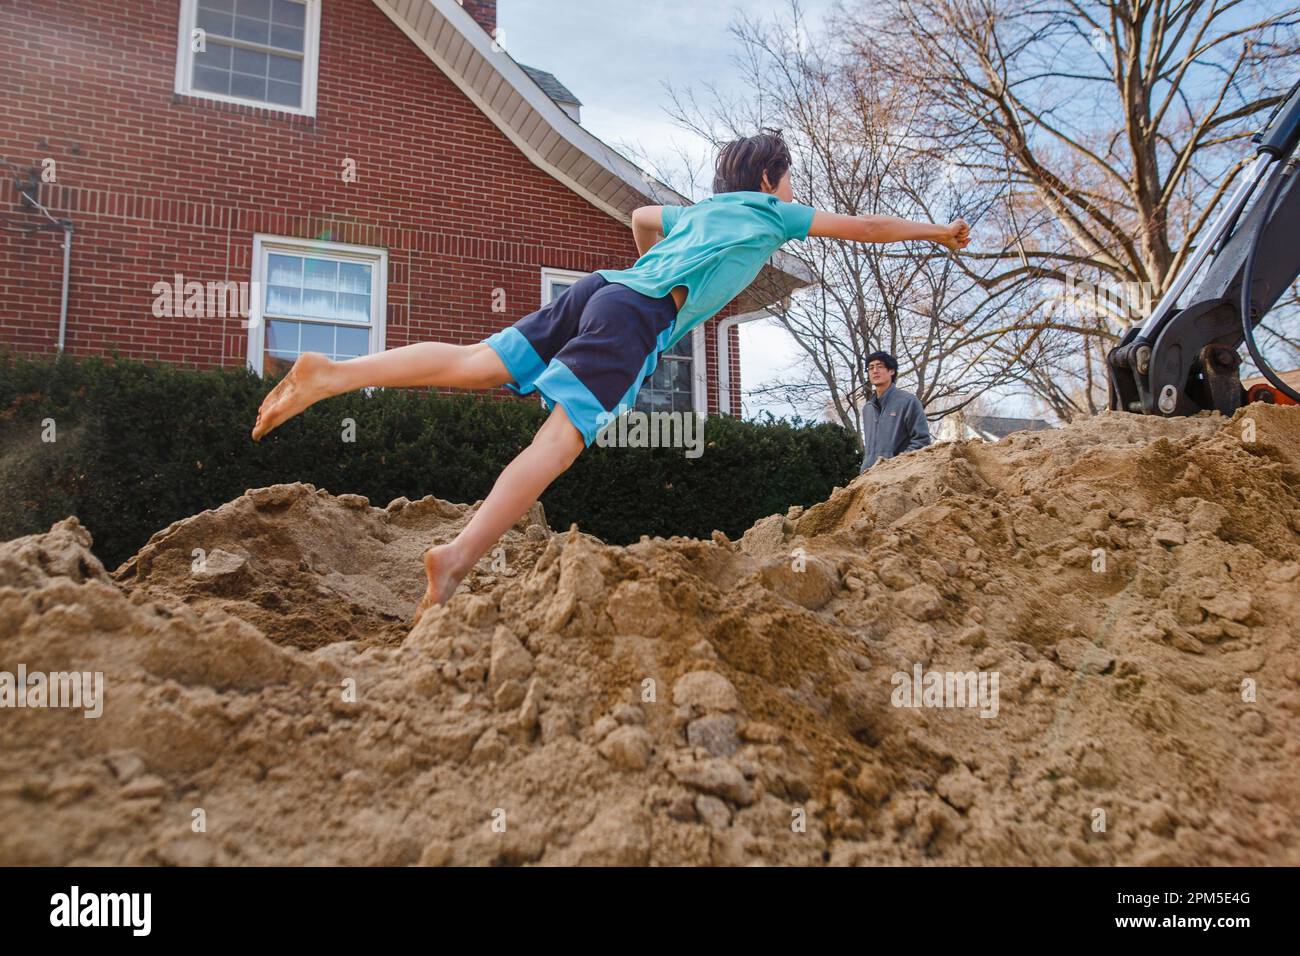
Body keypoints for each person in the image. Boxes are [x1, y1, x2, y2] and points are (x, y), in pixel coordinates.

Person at [250, 129, 970, 622]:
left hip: (601, 287)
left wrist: (643, 267)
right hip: (636, 315)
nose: (793, 191)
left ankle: (332, 372)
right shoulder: (772, 214)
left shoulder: (698, 213)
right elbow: (865, 229)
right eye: (789, 180)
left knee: (474, 362)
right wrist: (936, 233)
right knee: (558, 444)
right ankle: (458, 558)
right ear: (767, 179)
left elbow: (639, 214)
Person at [858, 350, 931, 471]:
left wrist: (895, 465)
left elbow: (921, 441)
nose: (874, 371)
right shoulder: (867, 408)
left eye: (880, 366)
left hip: (898, 477)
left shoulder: (908, 401)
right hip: (869, 478)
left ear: (891, 371)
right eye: (870, 368)